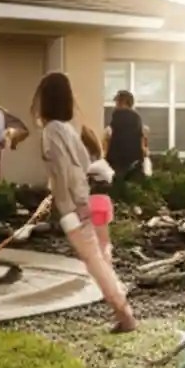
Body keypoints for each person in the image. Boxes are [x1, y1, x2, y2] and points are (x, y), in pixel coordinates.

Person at [33, 72, 138, 333]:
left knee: (95, 261)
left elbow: (63, 171)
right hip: (86, 201)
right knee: (101, 256)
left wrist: (64, 203)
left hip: (74, 207)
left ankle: (125, 315)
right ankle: (123, 310)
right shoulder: (69, 130)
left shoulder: (50, 131)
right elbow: (79, 163)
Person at [79, 125, 117, 266]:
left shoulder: (83, 162)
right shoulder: (101, 164)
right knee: (104, 241)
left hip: (88, 204)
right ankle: (106, 264)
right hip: (102, 203)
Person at [104, 90, 148, 182]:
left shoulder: (117, 115)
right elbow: (141, 139)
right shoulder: (137, 117)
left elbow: (111, 135)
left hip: (117, 161)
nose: (116, 105)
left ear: (123, 102)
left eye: (117, 101)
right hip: (134, 161)